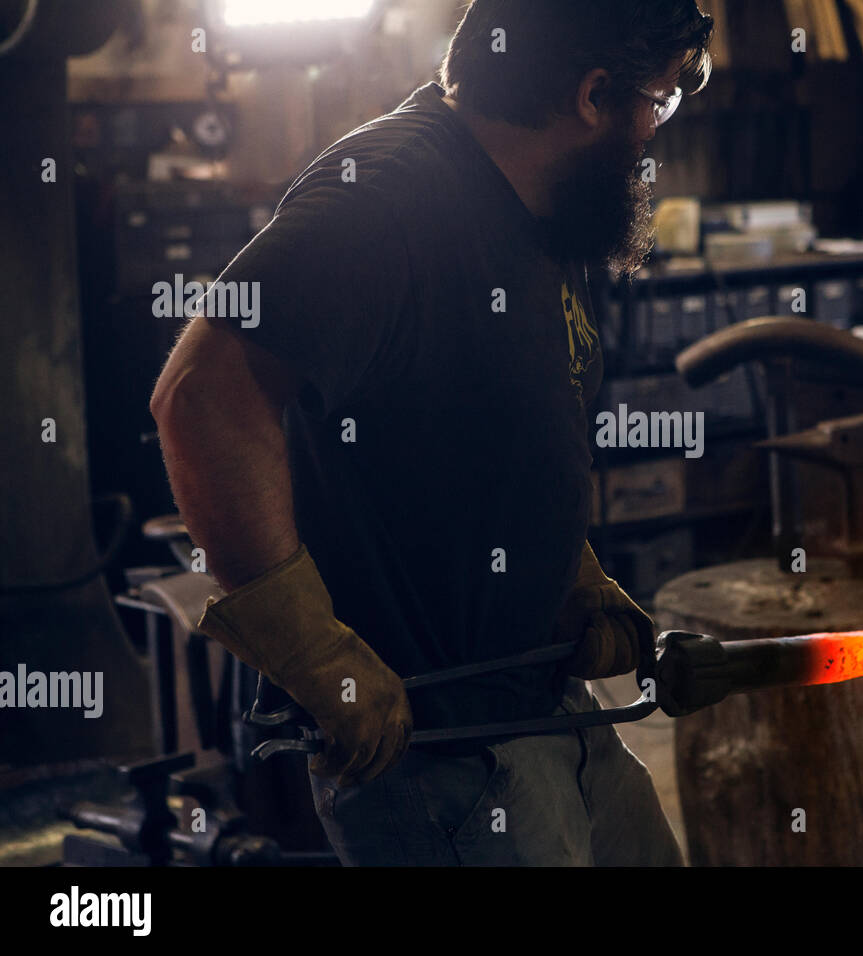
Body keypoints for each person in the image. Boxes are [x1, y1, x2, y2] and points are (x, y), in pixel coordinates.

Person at [149, 0, 713, 866]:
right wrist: (309, 649)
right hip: (442, 758)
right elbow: (201, 397)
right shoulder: (385, 197)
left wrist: (573, 573)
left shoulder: (546, 202)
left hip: (542, 705)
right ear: (593, 95)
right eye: (660, 100)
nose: (656, 130)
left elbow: (496, 420)